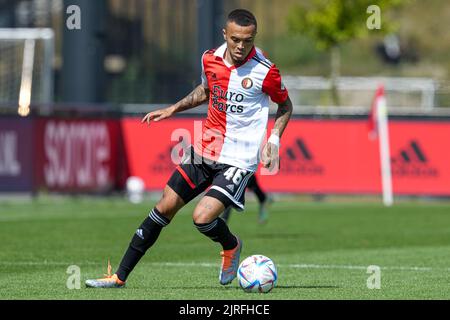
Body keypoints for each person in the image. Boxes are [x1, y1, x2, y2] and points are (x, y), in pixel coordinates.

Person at [85, 8, 292, 288]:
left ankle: (231, 246)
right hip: (206, 148)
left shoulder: (265, 71)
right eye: (235, 40)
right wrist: (174, 108)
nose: (241, 46)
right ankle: (119, 277)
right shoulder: (210, 59)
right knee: (163, 208)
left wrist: (274, 140)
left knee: (202, 217)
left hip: (239, 159)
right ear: (225, 35)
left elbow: (285, 105)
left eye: (248, 40)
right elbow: (207, 90)